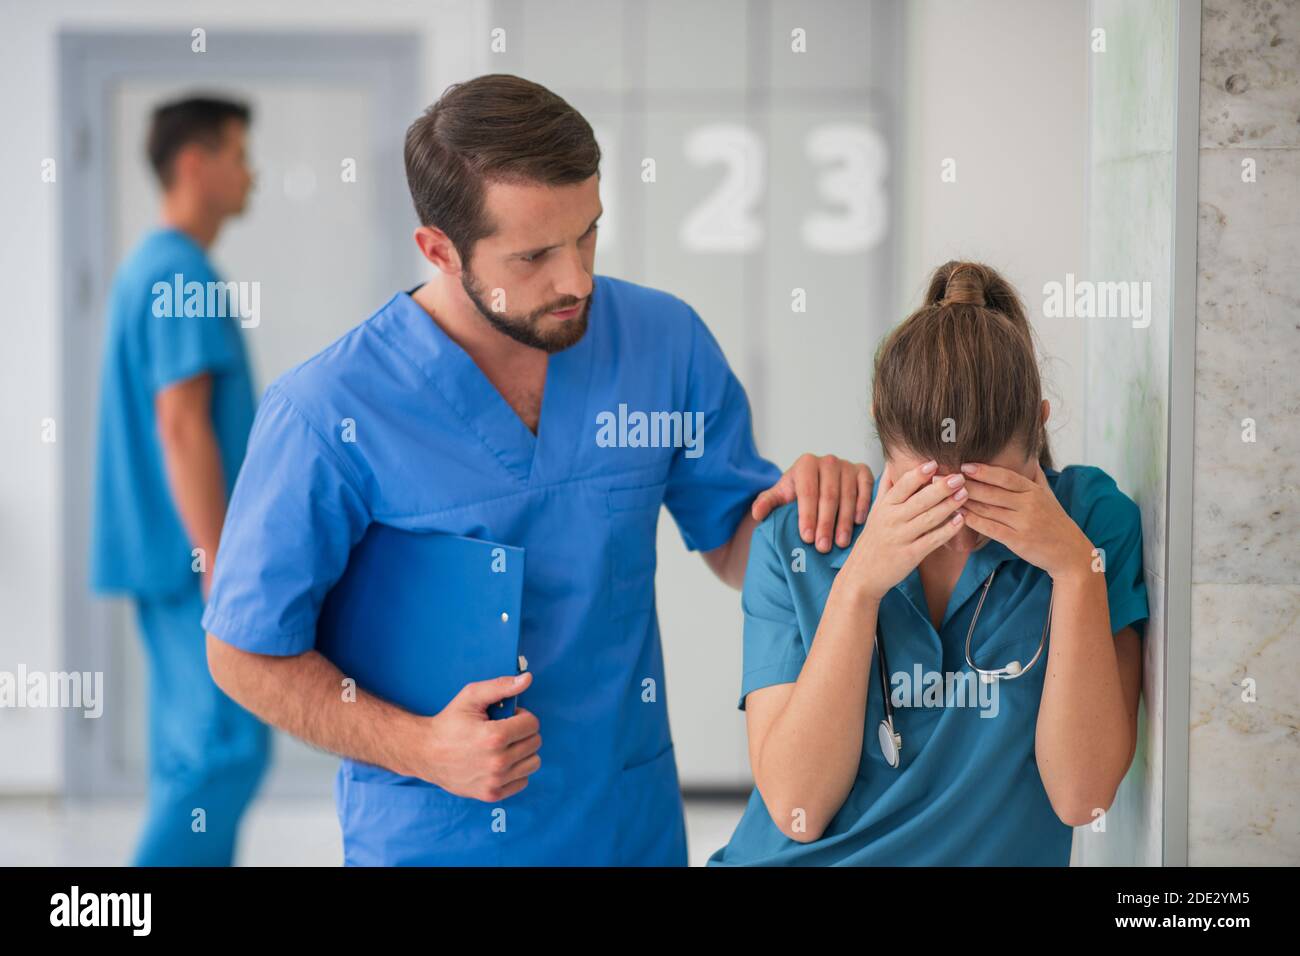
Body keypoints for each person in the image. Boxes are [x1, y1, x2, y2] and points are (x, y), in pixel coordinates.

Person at [201, 73, 874, 866]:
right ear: (439, 251)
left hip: (627, 830)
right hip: (435, 839)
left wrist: (811, 511)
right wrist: (421, 747)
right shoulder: (328, 411)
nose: (577, 280)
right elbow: (243, 652)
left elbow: (736, 537)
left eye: (588, 233)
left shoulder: (663, 345)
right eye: (534, 256)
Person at [709, 261, 1148, 866]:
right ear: (882, 438)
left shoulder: (1092, 525)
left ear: (1039, 428)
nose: (961, 532)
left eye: (993, 494)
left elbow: (1083, 799)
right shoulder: (801, 537)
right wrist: (860, 585)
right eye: (931, 497)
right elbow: (795, 808)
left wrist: (1074, 570)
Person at [91, 95, 269, 865]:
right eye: (238, 155)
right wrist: (219, 562)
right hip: (189, 559)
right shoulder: (179, 273)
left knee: (190, 750)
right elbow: (182, 422)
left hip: (163, 556)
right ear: (195, 165)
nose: (250, 174)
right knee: (221, 750)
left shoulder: (153, 267)